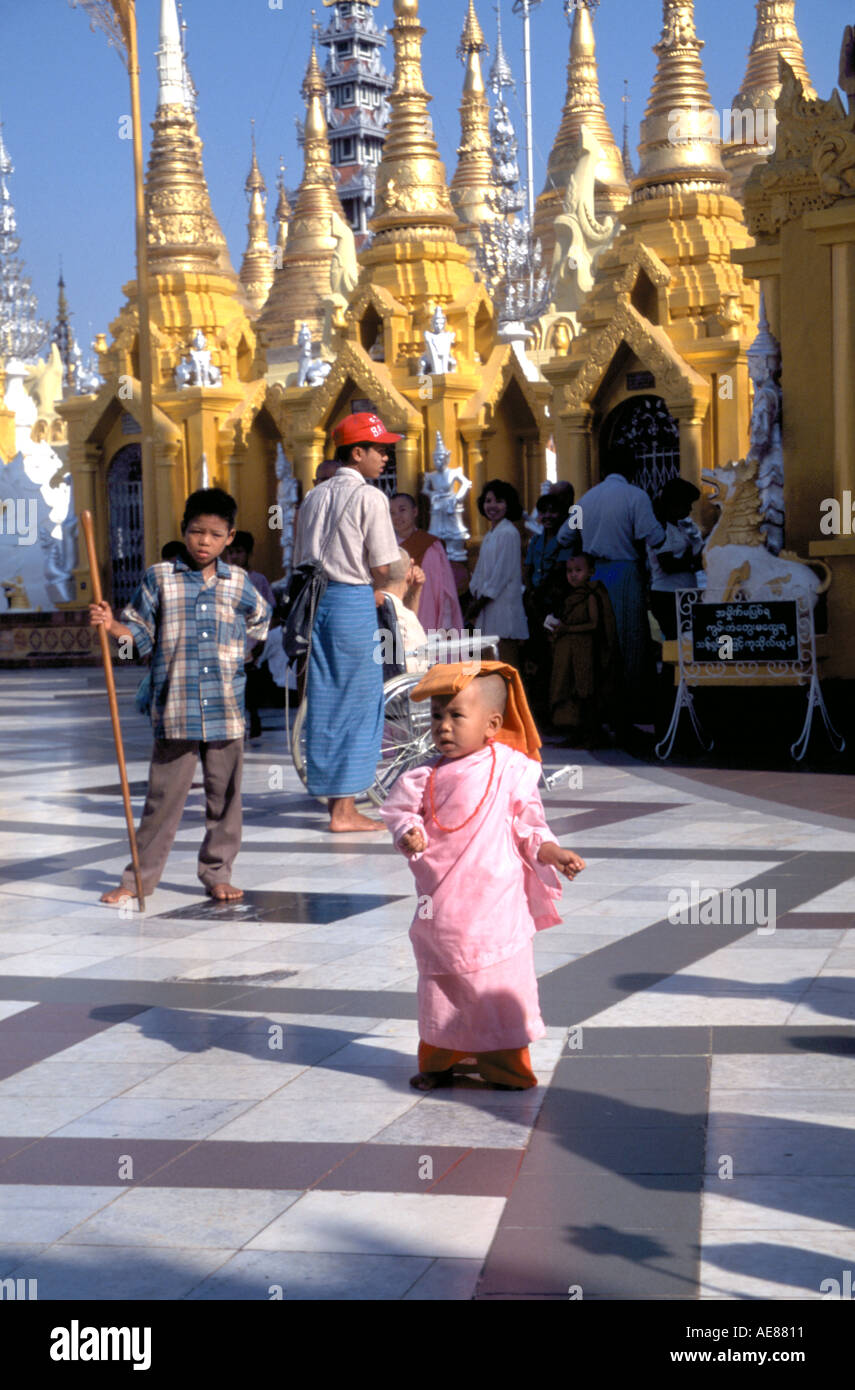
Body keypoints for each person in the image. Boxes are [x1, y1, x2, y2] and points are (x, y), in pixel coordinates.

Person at [380, 662, 585, 1091]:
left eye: (457, 716)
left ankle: (506, 1068)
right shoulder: (424, 776)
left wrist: (552, 852)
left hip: (496, 906)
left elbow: (530, 827)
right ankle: (439, 1061)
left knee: (497, 986)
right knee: (445, 987)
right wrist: (409, 832)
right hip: (444, 909)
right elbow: (398, 813)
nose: (444, 727)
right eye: (437, 716)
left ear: (492, 724)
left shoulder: (510, 769)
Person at [89, 487, 271, 904]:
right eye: (195, 532)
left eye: (214, 534)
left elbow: (260, 621)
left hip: (226, 708)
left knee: (225, 800)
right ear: (183, 531)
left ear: (230, 537)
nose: (203, 541)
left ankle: (217, 872)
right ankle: (137, 880)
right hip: (176, 708)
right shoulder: (159, 578)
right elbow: (136, 637)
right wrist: (112, 627)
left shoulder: (239, 582)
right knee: (161, 800)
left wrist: (236, 656)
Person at [294, 412, 402, 832]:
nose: (385, 459)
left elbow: (301, 558)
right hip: (352, 599)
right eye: (380, 450)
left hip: (317, 603)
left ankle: (334, 800)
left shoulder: (314, 496)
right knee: (359, 702)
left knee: (325, 699)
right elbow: (384, 565)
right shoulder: (369, 497)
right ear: (357, 453)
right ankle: (344, 810)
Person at [559, 446, 666, 717]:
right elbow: (655, 537)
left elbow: (564, 536)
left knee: (599, 641)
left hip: (595, 576)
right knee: (628, 639)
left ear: (604, 470)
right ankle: (629, 704)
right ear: (633, 470)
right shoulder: (635, 496)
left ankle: (599, 704)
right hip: (625, 572)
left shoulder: (587, 500)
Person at [546, 552, 620, 746]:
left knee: (587, 691)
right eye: (569, 571)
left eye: (579, 570)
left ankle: (592, 734)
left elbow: (594, 624)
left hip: (587, 651)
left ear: (591, 572)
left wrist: (567, 629)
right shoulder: (571, 596)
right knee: (572, 691)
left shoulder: (591, 595)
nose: (573, 575)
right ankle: (577, 733)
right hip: (573, 651)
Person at [466, 479, 529, 667]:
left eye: (499, 501)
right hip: (485, 609)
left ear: (508, 504)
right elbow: (480, 572)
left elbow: (500, 575)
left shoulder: (509, 533)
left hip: (502, 610)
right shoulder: (491, 534)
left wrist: (479, 603)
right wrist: (473, 594)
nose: (492, 506)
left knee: (505, 666)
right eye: (488, 501)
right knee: (489, 666)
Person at [389, 492, 464, 634]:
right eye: (392, 513)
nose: (397, 517)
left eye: (402, 510)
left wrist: (446, 622)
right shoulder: (387, 548)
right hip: (399, 614)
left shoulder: (431, 546)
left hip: (430, 612)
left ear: (415, 511)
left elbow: (445, 587)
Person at [225, 531, 275, 740]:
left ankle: (253, 717)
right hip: (228, 638)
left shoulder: (258, 580)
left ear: (248, 554)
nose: (235, 557)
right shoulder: (223, 579)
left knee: (250, 684)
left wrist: (261, 640)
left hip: (251, 639)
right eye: (231, 552)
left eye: (239, 552)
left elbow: (269, 608)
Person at [648, 478, 705, 640]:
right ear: (673, 504)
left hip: (683, 593)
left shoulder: (680, 527)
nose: (689, 509)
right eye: (686, 504)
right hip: (668, 596)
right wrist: (692, 563)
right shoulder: (660, 529)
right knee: (675, 644)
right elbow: (668, 564)